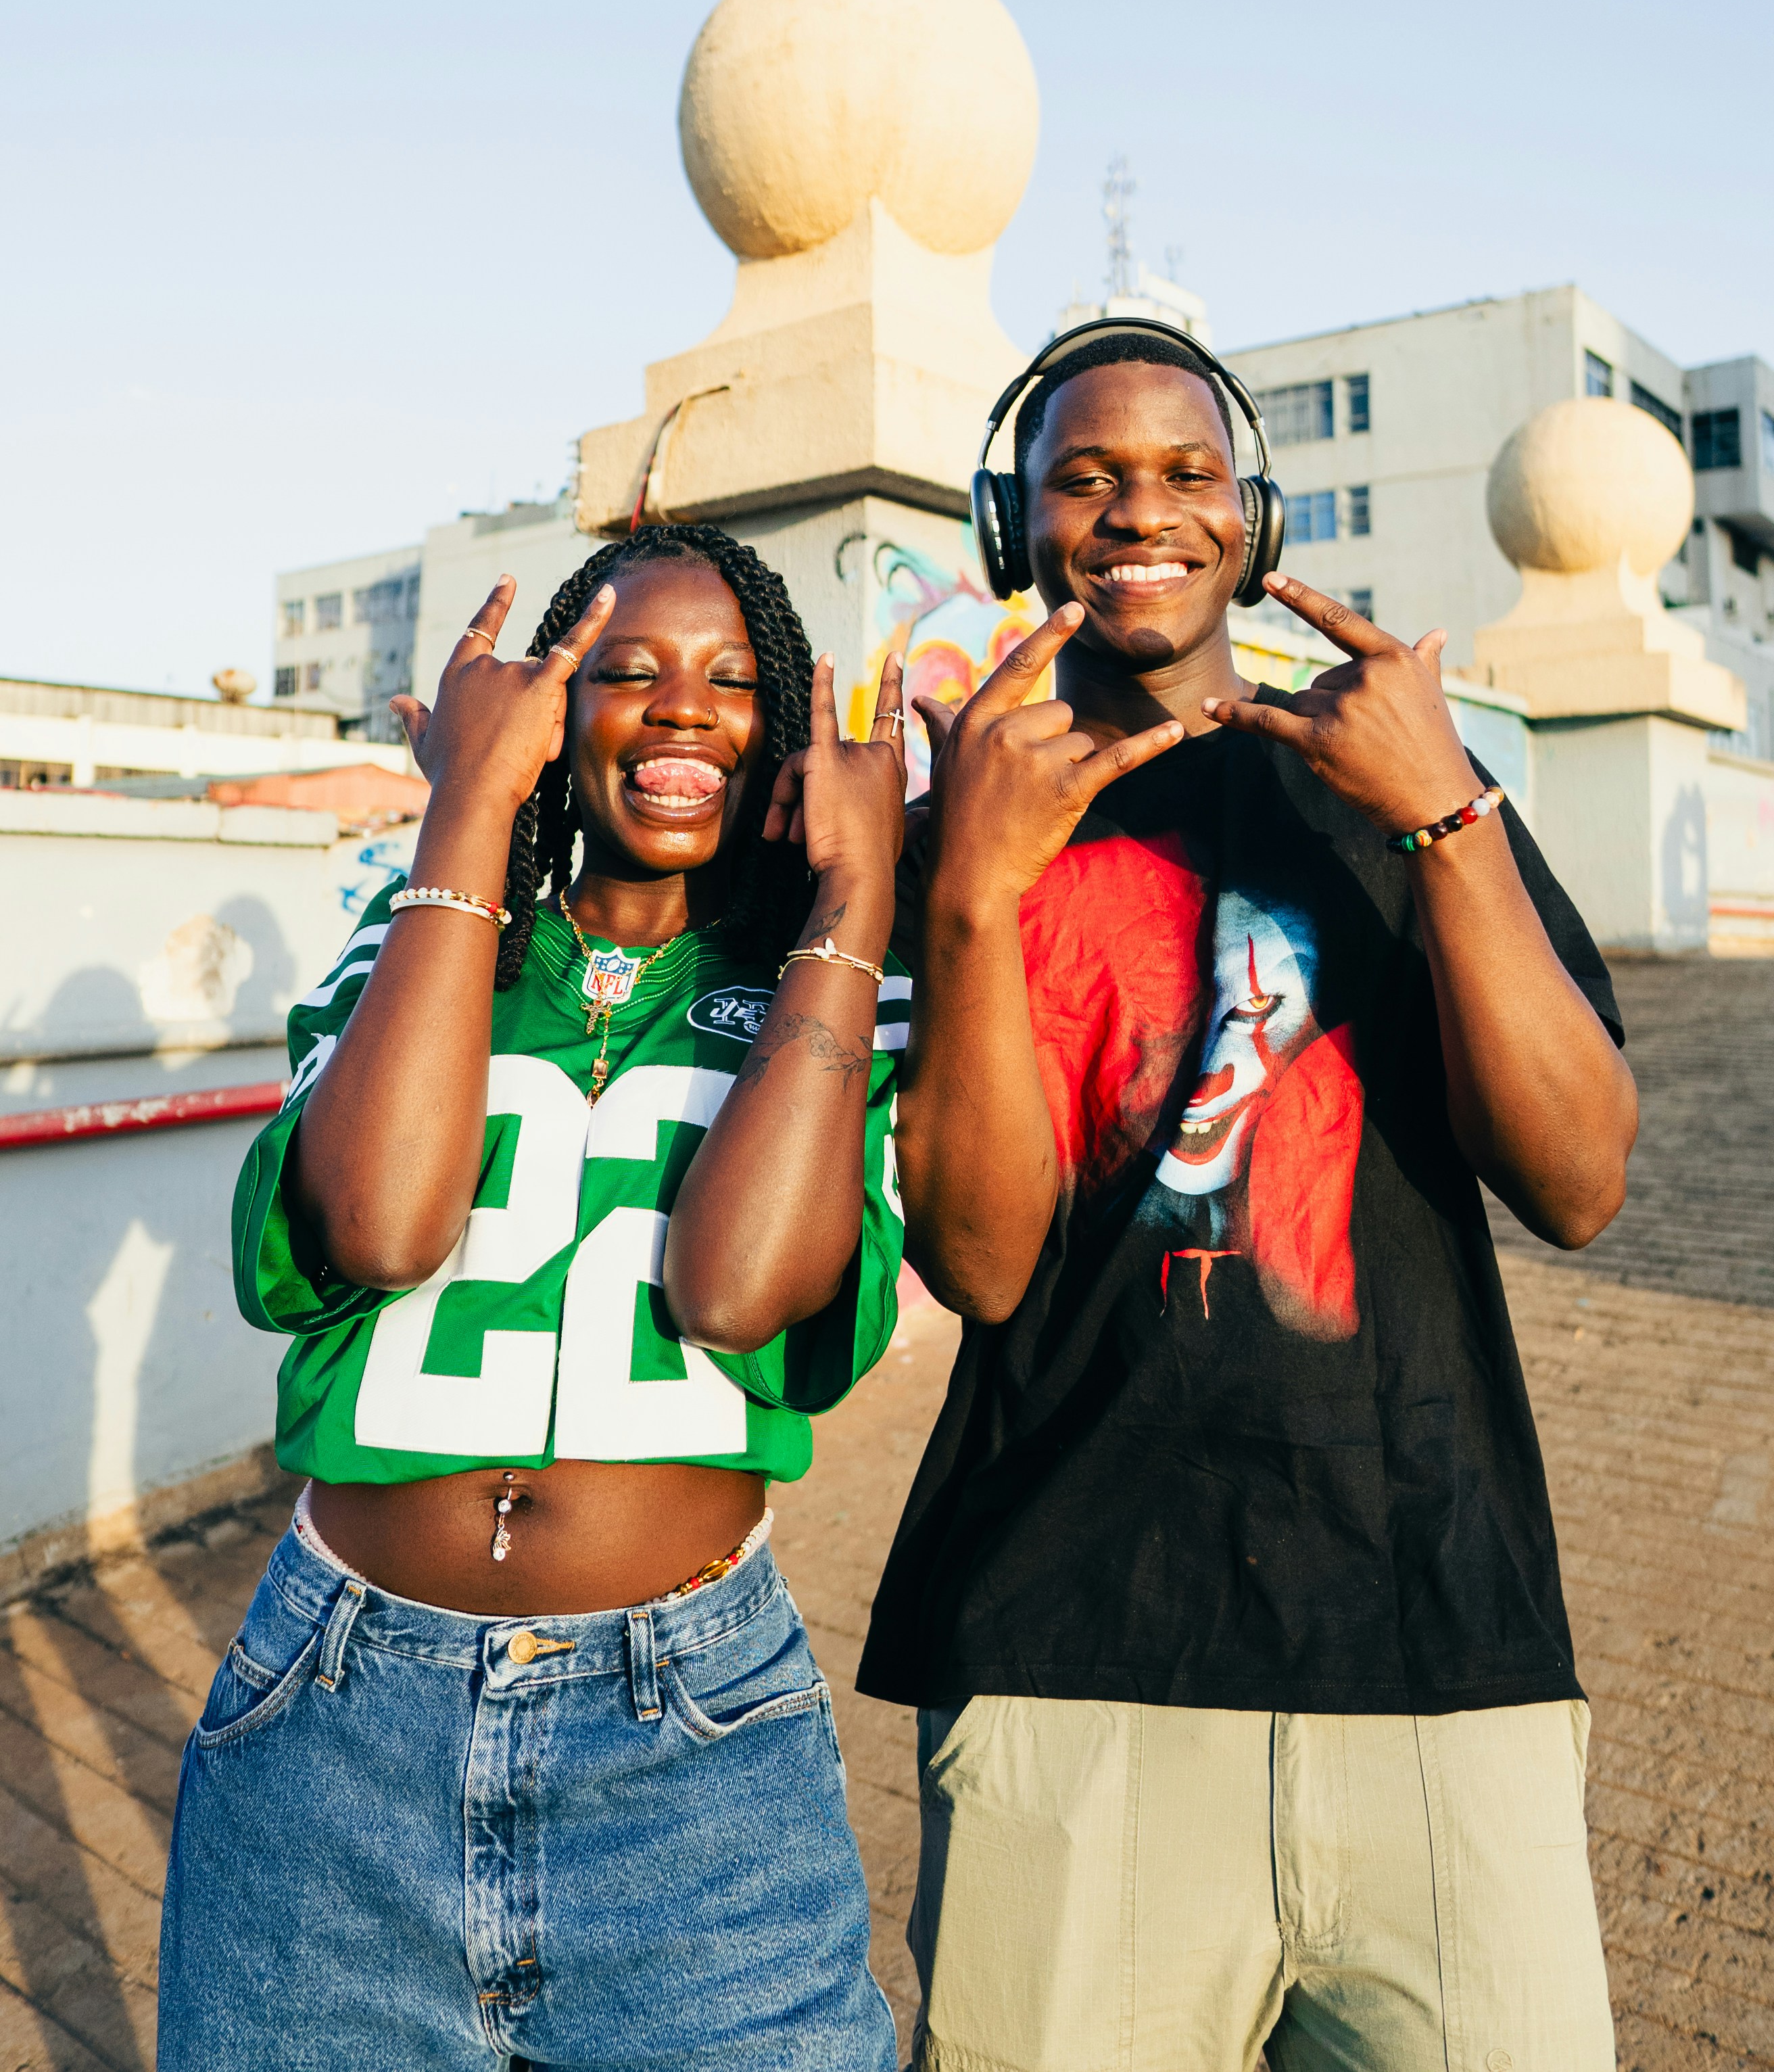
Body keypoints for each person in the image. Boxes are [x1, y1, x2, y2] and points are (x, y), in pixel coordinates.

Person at [861, 326, 1638, 2072]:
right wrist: (972, 893)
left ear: (1254, 516)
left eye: (1187, 472)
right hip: (1073, 1653)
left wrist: (1446, 812)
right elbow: (979, 1264)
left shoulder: (1395, 776)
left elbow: (1580, 1178)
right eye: (1086, 475)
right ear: (1016, 523)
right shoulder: (977, 819)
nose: (1141, 508)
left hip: (1442, 1642)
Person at [160, 523, 909, 2072]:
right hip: (337, 1717)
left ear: (779, 734)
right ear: (549, 717)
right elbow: (373, 1226)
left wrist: (855, 901)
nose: (681, 707)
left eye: (731, 682)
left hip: (688, 1742)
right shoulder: (417, 939)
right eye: (623, 671)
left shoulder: (822, 990)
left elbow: (739, 1291)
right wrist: (463, 821)